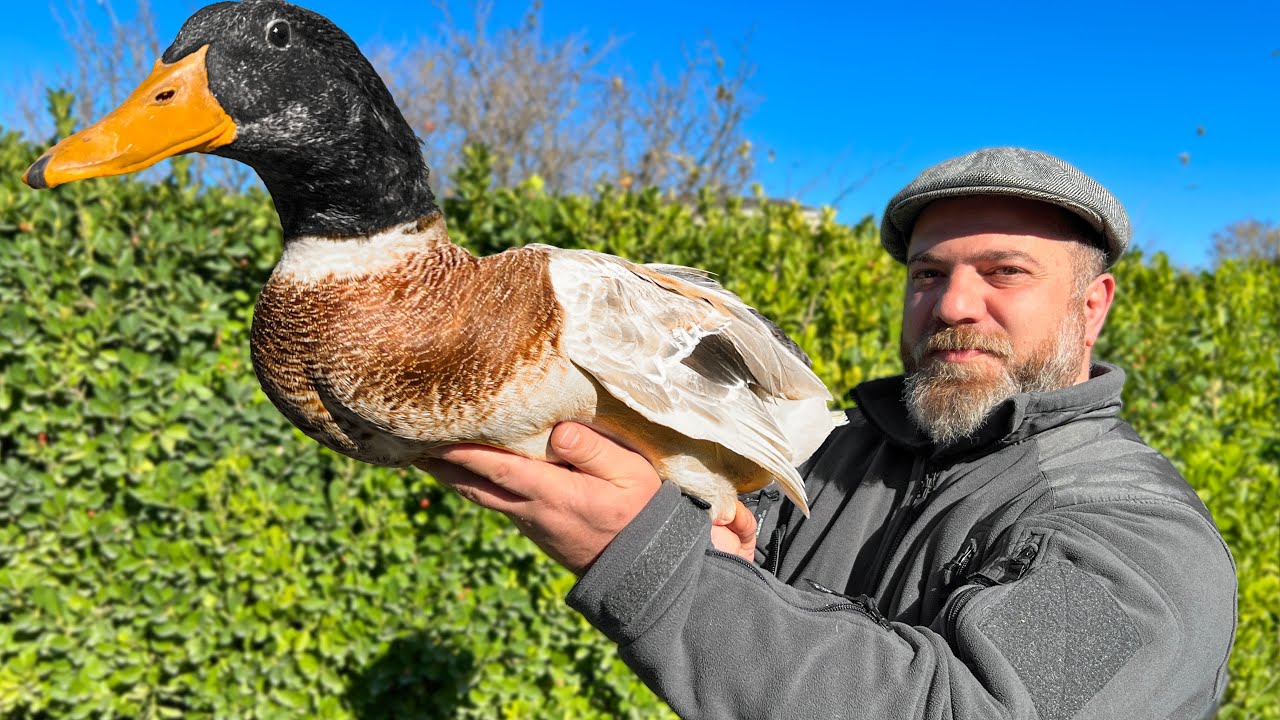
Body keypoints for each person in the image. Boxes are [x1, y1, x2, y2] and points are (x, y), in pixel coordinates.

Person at [426, 147, 1237, 719]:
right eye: (929, 274)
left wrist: (657, 567)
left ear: (1091, 307)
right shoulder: (835, 454)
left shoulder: (1137, 535)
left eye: (1004, 272)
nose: (952, 305)